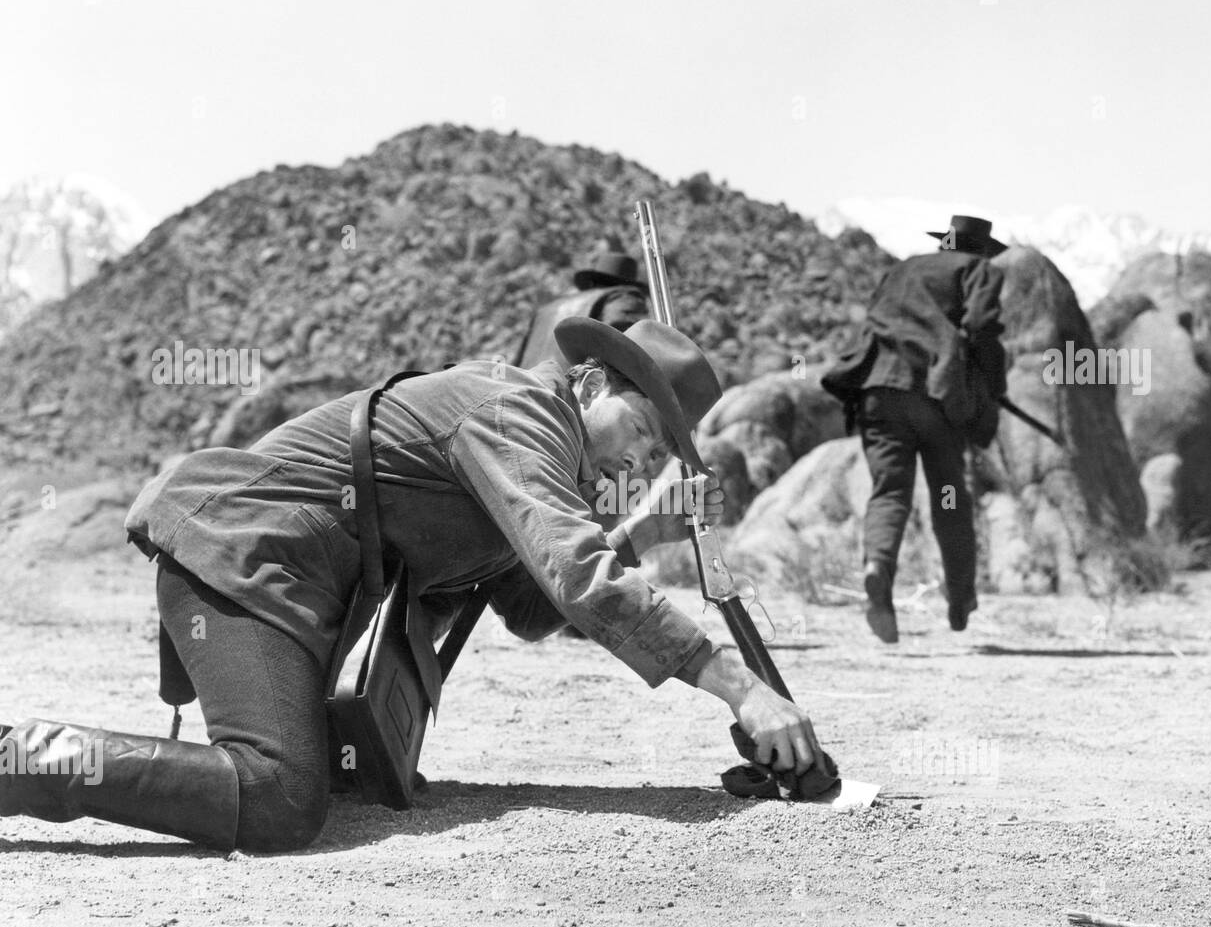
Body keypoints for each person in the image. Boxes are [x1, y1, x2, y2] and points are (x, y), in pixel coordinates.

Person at [1, 319, 826, 852]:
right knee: (278, 798)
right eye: (641, 431)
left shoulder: (542, 463)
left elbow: (535, 607)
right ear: (590, 385)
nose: (634, 463)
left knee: (325, 782)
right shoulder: (519, 415)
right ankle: (16, 760)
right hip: (247, 550)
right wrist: (736, 685)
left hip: (290, 580)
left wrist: (641, 528)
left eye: (651, 459)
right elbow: (579, 577)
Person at [823, 214, 1008, 644]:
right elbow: (981, 329)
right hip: (934, 400)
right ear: (979, 248)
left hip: (878, 393)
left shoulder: (903, 268)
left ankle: (877, 570)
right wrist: (991, 387)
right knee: (947, 495)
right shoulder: (977, 269)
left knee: (889, 491)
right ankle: (960, 596)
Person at [513, 240, 649, 368]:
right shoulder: (624, 295)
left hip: (526, 388)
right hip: (571, 388)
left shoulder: (545, 310)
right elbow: (624, 351)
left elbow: (517, 360)